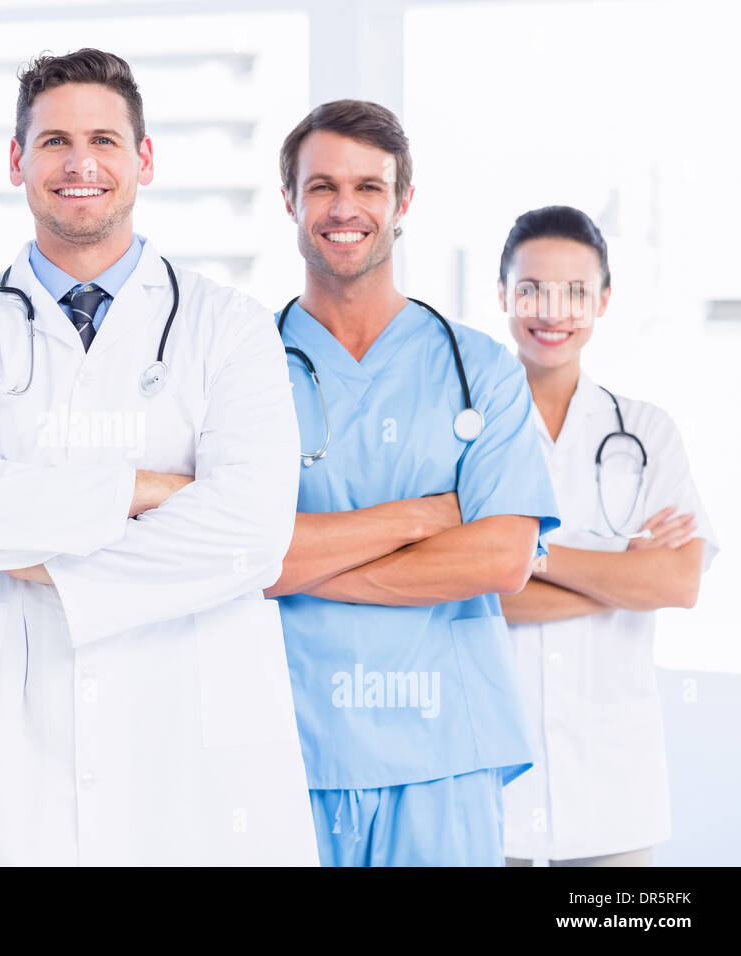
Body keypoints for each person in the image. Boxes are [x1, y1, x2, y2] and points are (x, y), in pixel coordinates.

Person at [0, 49, 315, 866]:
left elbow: (251, 534)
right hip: (11, 780)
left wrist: (44, 560)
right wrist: (143, 490)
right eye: (53, 141)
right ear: (17, 161)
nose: (80, 163)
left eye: (104, 140)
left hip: (187, 768)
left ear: (143, 159)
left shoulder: (230, 327)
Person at [266, 100, 560, 866]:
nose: (344, 207)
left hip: (444, 752)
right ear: (290, 200)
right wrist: (423, 518)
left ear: (402, 204)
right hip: (288, 744)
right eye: (322, 185)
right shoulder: (243, 370)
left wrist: (298, 566)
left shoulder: (480, 369)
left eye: (369, 187)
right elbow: (232, 552)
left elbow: (500, 560)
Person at [495, 206, 716, 867]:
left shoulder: (647, 431)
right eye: (531, 288)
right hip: (491, 792)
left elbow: (678, 583)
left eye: (575, 291)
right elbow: (468, 593)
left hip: (612, 798)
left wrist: (525, 557)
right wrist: (622, 574)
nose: (551, 310)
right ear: (503, 294)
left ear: (604, 300)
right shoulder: (467, 434)